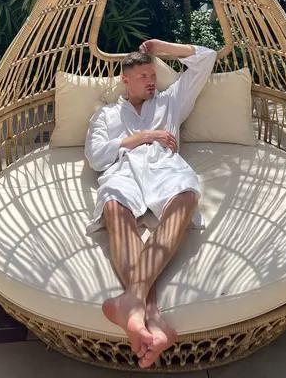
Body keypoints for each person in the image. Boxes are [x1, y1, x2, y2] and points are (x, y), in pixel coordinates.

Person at [85, 39, 217, 368]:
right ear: (125, 80)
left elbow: (207, 58)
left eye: (153, 75)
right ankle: (152, 317)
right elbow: (96, 157)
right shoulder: (106, 114)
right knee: (114, 206)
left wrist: (162, 47)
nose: (151, 81)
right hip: (124, 171)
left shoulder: (171, 102)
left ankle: (132, 302)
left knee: (187, 195)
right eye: (143, 76)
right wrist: (144, 136)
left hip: (165, 170)